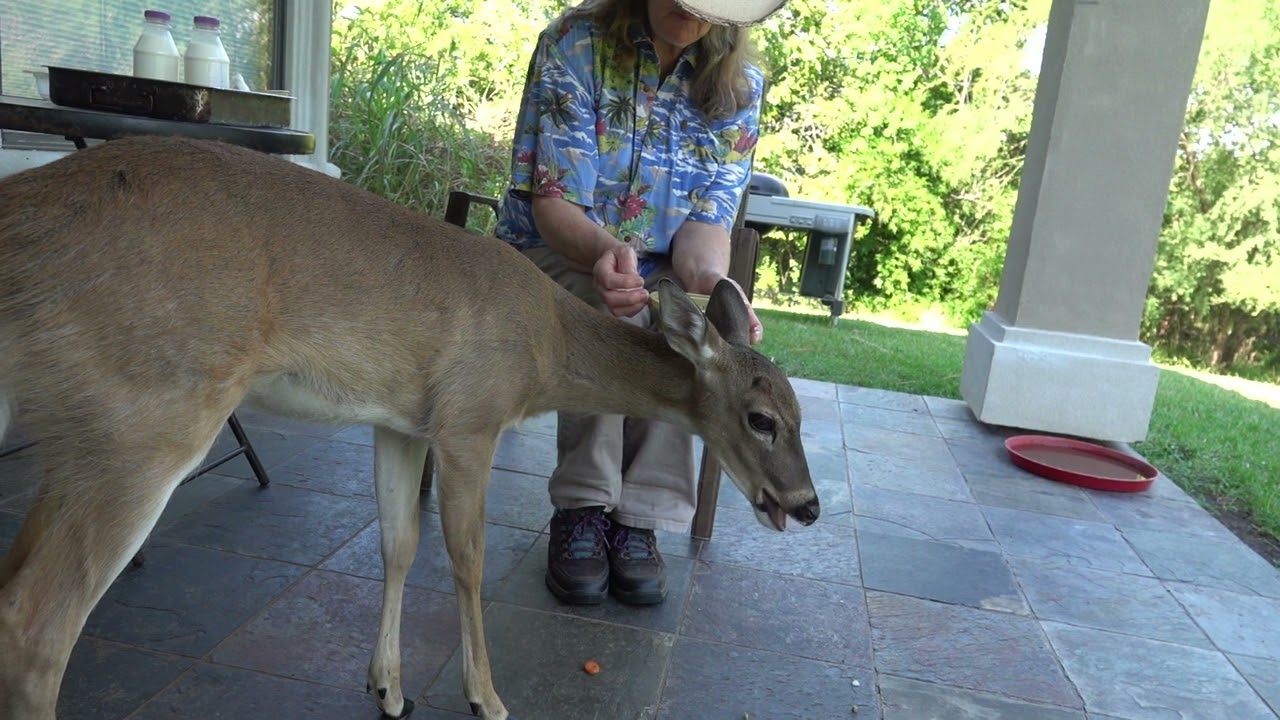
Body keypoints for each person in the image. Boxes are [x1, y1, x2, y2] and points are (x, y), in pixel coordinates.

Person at [495, 0, 785, 606]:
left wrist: (718, 291)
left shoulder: (741, 89)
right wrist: (607, 254)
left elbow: (705, 229)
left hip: (657, 273)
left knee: (691, 338)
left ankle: (639, 517)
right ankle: (583, 506)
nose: (688, 8)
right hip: (554, 252)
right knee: (620, 316)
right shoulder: (574, 44)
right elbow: (554, 206)